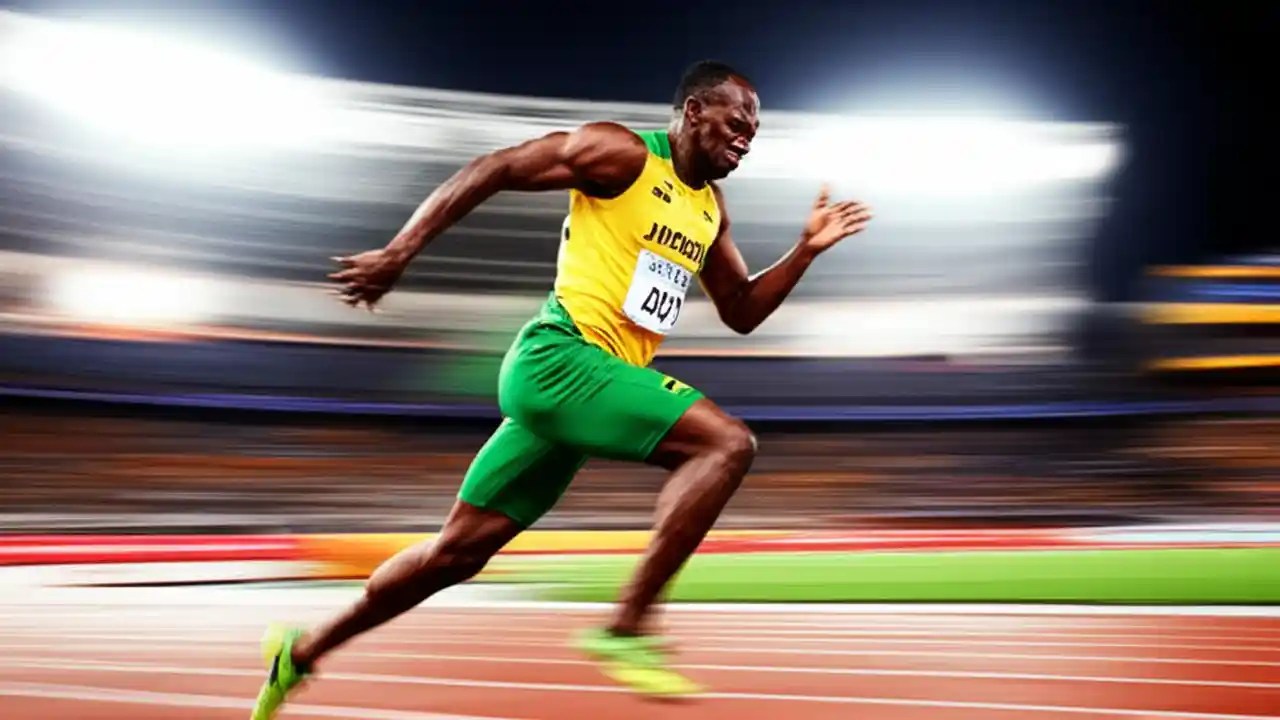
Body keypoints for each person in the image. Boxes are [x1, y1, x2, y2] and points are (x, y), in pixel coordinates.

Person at [251, 59, 872, 718]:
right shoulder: (624, 155)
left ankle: (302, 651)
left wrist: (805, 250)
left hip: (584, 390)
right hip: (558, 358)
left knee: (455, 554)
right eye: (739, 121)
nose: (749, 137)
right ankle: (629, 625)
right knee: (726, 444)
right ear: (694, 112)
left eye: (756, 129)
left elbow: (742, 309)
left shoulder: (708, 209)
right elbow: (495, 166)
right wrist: (401, 251)